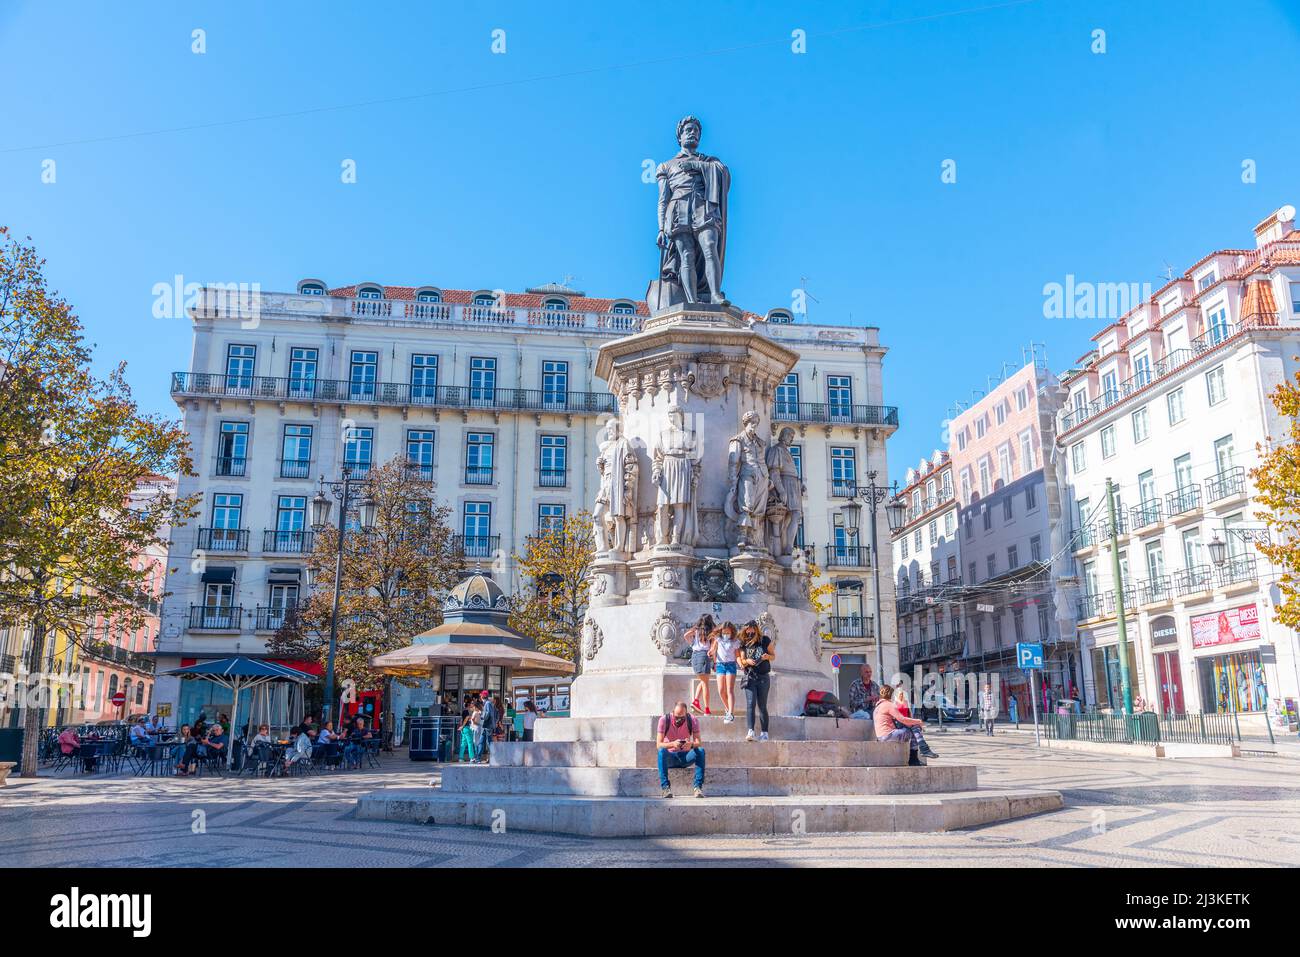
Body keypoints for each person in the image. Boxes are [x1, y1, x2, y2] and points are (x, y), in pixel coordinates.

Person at [874, 684, 938, 765]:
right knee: (915, 729)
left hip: (881, 736)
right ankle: (920, 753)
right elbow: (902, 719)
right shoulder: (889, 705)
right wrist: (918, 721)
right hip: (888, 735)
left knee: (913, 727)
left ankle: (921, 752)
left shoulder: (878, 706)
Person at [656, 702, 706, 799]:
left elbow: (699, 742)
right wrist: (672, 744)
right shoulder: (664, 720)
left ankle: (697, 787)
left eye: (682, 717)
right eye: (676, 716)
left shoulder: (692, 720)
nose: (678, 719)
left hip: (685, 757)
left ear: (686, 714)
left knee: (700, 750)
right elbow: (658, 745)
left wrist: (690, 745)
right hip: (670, 757)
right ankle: (665, 788)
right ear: (673, 712)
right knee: (661, 751)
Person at [737, 620, 775, 743]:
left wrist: (766, 657)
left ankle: (764, 733)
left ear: (756, 629)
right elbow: (741, 660)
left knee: (762, 705)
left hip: (763, 677)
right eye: (747, 629)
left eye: (752, 629)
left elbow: (773, 655)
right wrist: (746, 661)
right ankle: (750, 731)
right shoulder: (744, 643)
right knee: (750, 703)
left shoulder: (765, 640)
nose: (750, 631)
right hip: (750, 677)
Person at [710, 621, 741, 723]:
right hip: (720, 665)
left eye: (728, 632)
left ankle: (730, 714)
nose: (726, 634)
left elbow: (737, 655)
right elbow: (713, 650)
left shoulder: (735, 642)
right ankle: (728, 709)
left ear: (732, 632)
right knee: (721, 690)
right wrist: (710, 653)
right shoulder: (718, 639)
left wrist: (740, 663)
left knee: (729, 690)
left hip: (731, 665)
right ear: (721, 631)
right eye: (724, 632)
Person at [685, 614, 716, 715]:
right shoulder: (711, 633)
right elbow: (712, 649)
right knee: (705, 683)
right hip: (704, 656)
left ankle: (696, 702)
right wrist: (715, 662)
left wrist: (692, 638)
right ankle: (707, 709)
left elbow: (685, 636)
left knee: (703, 681)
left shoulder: (696, 631)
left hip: (695, 656)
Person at [479, 692, 498, 764]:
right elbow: (495, 714)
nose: (480, 697)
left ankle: (493, 758)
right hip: (487, 726)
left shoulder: (487, 703)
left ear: (482, 696)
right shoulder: (489, 703)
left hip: (487, 726)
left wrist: (481, 715)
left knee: (488, 742)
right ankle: (478, 758)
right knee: (482, 742)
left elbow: (488, 714)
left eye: (481, 696)